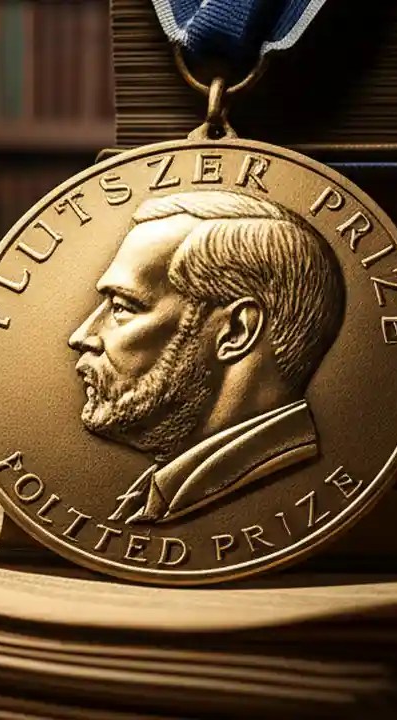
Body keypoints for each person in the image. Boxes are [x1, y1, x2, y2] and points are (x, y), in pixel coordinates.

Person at [68, 190, 346, 524]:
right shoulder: (160, 494)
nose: (81, 335)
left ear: (235, 332)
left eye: (121, 307)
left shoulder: (267, 485)